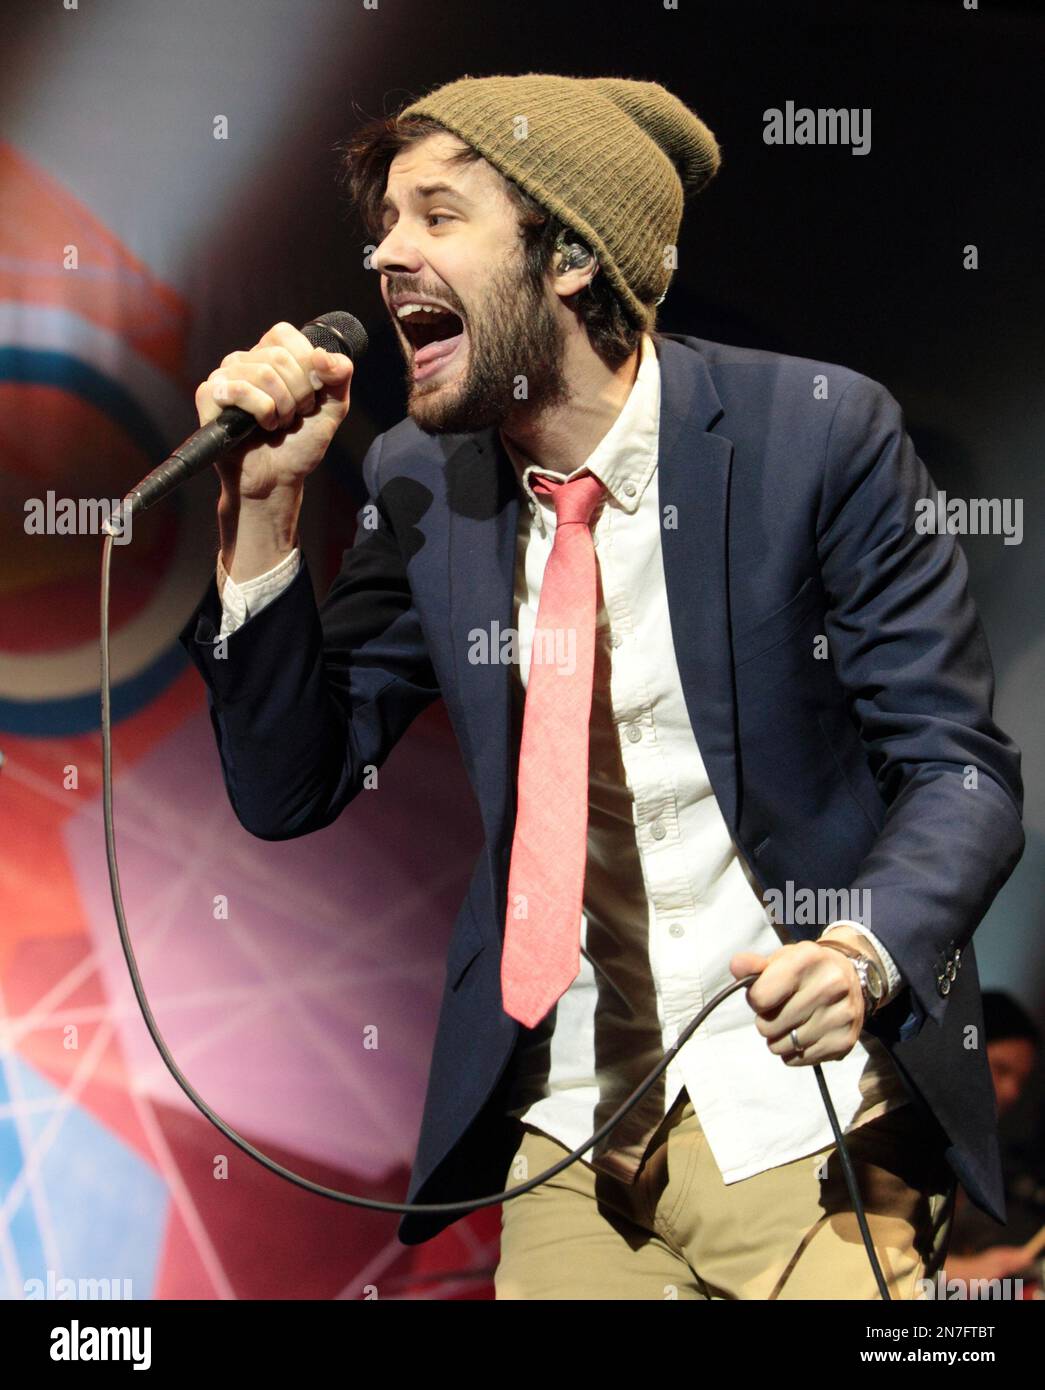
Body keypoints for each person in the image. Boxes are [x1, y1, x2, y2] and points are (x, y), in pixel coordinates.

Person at [178, 73, 1025, 1299]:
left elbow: (958, 765)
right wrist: (259, 508)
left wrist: (860, 949)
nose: (385, 254)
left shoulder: (814, 435)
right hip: (568, 1124)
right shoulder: (425, 480)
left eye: (436, 214)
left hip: (800, 1110)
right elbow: (288, 782)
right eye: (385, 222)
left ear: (571, 257)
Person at [942, 991, 1042, 1285]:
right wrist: (964, 1272)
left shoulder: (978, 1156)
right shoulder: (904, 1133)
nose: (1012, 1092)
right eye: (1001, 1070)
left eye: (1020, 1081)